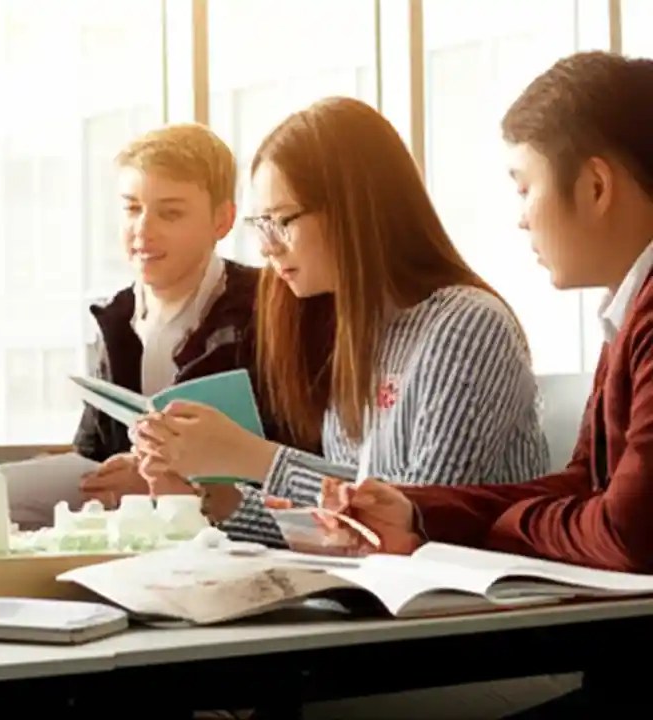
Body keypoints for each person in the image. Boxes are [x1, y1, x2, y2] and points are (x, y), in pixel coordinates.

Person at [132, 97, 550, 547]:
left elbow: (416, 520)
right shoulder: (358, 333)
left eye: (282, 221)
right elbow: (338, 534)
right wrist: (212, 501)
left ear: (355, 207)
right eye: (261, 224)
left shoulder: (467, 325)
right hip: (388, 604)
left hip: (472, 607)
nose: (268, 248)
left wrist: (253, 458)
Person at [316, 52, 653, 574]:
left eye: (524, 188)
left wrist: (506, 526)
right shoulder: (627, 309)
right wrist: (418, 512)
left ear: (594, 187)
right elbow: (589, 483)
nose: (520, 220)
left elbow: (630, 531)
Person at [75, 123, 334, 511]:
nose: (143, 229)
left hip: (252, 545)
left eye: (170, 213)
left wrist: (161, 479)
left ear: (222, 221)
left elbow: (311, 459)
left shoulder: (280, 307)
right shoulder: (114, 319)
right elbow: (93, 452)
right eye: (131, 208)